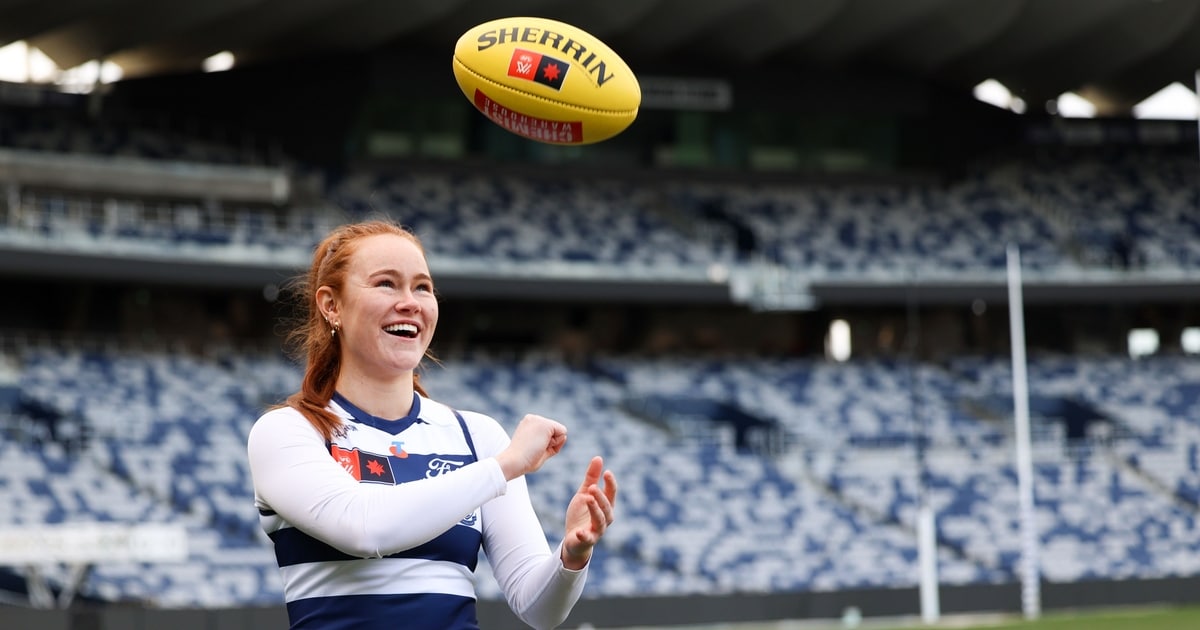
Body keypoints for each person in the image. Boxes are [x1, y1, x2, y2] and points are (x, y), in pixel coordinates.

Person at [246, 219, 617, 629]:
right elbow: (366, 529)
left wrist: (571, 556)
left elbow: (538, 610)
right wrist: (503, 467)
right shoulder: (287, 430)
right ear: (331, 305)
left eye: (422, 287)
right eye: (386, 283)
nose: (411, 302)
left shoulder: (477, 435)